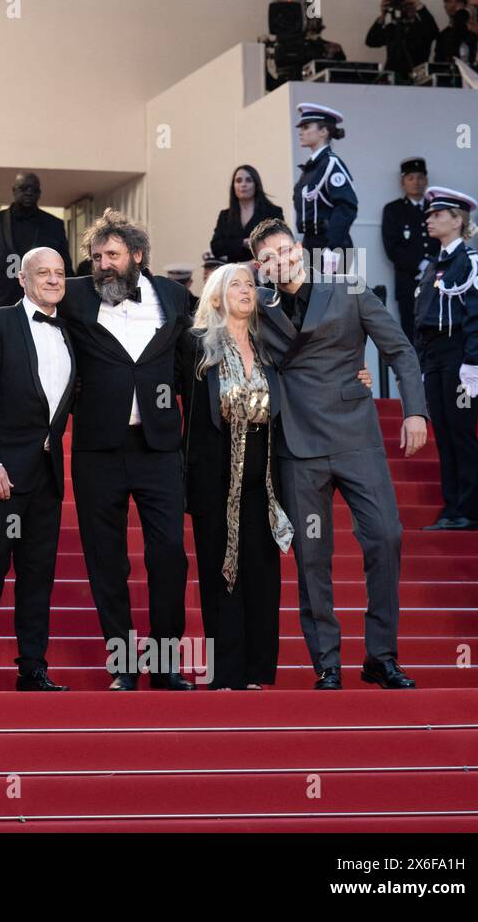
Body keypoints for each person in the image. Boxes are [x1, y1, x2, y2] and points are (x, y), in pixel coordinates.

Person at [0, 209, 194, 692]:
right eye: (94, 257)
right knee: (107, 560)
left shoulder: (174, 297)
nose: (102, 264)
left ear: (136, 256)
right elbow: (27, 300)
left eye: (112, 255)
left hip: (159, 449)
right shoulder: (75, 293)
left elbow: (204, 345)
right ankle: (124, 665)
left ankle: (167, 662)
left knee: (169, 555)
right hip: (97, 451)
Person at [249, 218, 428, 690]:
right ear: (259, 265)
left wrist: (415, 413)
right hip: (297, 445)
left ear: (299, 248)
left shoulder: (346, 289)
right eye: (268, 257)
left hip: (356, 438)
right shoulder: (256, 308)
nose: (280, 261)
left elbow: (400, 350)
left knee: (385, 537)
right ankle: (327, 663)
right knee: (312, 557)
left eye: (285, 250)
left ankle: (381, 656)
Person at [0, 247, 74, 693]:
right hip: (1, 474)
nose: (52, 280)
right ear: (21, 280)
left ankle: (32, 667)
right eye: (41, 273)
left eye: (59, 273)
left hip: (47, 476)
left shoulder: (72, 327)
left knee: (37, 576)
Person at [181, 264, 292, 691]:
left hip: (264, 478)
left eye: (250, 284)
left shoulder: (271, 348)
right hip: (214, 476)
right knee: (221, 570)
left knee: (262, 572)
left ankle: (258, 672)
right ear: (215, 296)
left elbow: (311, 369)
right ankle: (226, 673)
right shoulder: (195, 347)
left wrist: (358, 374)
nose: (247, 290)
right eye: (236, 285)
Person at [415, 187, 478, 532]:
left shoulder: (470, 261)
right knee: (444, 434)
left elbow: (477, 317)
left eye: (437, 214)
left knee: (461, 432)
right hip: (436, 356)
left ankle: (468, 510)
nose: (430, 219)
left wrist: (472, 362)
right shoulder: (435, 264)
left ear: (457, 221)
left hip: (460, 353)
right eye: (430, 214)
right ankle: (451, 509)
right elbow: (422, 316)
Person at [0, 172, 73, 315]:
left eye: (33, 189)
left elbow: (66, 269)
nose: (29, 193)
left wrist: (67, 309)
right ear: (14, 190)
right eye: (24, 188)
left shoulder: (54, 225)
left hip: (43, 307)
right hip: (0, 305)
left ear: (39, 193)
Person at [293, 103, 357, 278]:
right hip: (311, 244)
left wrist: (332, 247)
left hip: (332, 245)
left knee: (336, 303)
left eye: (306, 127)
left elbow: (347, 207)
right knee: (311, 302)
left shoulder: (331, 164)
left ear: (323, 131)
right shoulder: (311, 168)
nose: (301, 132)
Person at [380, 157, 437, 347]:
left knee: (440, 331)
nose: (416, 182)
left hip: (439, 280)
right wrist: (420, 265)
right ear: (402, 182)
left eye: (420, 177)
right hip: (408, 285)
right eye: (410, 178)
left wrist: (433, 265)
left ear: (426, 180)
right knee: (412, 333)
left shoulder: (436, 208)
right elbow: (392, 247)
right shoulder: (393, 210)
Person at [209, 165, 285, 264]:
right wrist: (242, 242)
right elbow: (216, 247)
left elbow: (279, 245)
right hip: (234, 273)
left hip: (266, 272)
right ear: (233, 186)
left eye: (249, 180)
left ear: (256, 185)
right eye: (238, 181)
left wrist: (254, 263)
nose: (243, 184)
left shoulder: (272, 212)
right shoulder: (225, 216)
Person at [364, 0, 438, 81]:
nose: (407, 6)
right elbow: (371, 41)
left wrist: (416, 3)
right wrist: (383, 15)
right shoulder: (394, 27)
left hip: (417, 78)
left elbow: (434, 31)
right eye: (404, 3)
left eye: (411, 3)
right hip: (392, 78)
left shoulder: (423, 27)